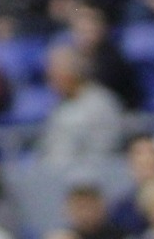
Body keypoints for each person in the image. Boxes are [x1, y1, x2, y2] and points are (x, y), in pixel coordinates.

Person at [36, 45, 124, 175]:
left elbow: (104, 150)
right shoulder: (58, 107)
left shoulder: (101, 102)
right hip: (54, 178)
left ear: (72, 73)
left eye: (54, 74)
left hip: (90, 178)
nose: (50, 81)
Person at [68, 2, 145, 110]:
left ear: (101, 28)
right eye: (80, 30)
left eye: (89, 29)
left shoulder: (114, 60)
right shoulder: (72, 56)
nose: (85, 35)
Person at [109, 137, 154, 237]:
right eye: (139, 153)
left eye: (153, 152)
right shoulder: (123, 208)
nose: (147, 158)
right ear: (130, 162)